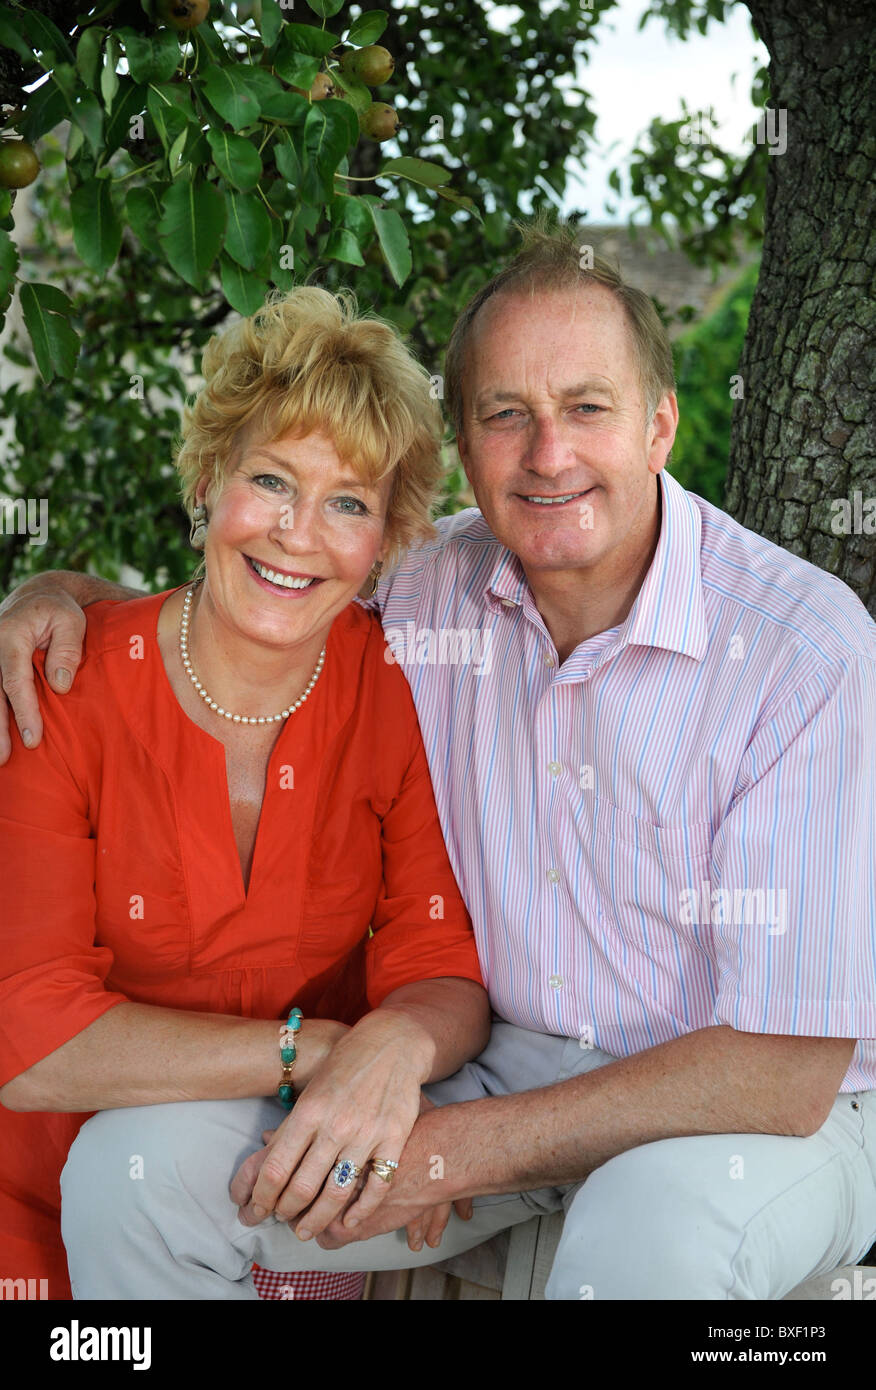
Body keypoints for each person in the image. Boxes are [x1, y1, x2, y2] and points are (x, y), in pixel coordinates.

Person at [2, 218, 875, 1301]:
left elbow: (785, 1071)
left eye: (587, 409)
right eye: (507, 415)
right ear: (466, 447)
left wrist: (445, 1154)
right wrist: (57, 599)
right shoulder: (427, 592)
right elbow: (262, 585)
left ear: (660, 425)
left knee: (653, 1235)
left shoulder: (802, 649)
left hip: (750, 1117)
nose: (548, 453)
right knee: (136, 1174)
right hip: (499, 1067)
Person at [0, 285, 489, 1300]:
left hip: (260, 1184)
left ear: (388, 534)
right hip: (35, 1197)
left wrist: (395, 1061)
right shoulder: (63, 683)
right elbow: (29, 1037)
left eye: (348, 501)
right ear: (211, 477)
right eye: (271, 479)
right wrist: (309, 1050)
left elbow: (438, 963)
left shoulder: (399, 688)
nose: (297, 533)